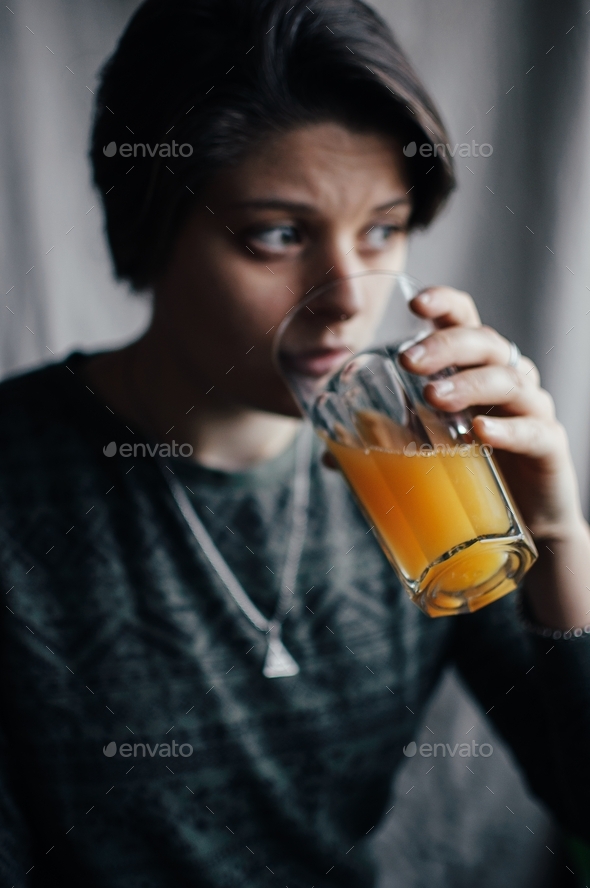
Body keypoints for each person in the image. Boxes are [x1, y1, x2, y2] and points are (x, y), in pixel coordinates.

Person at [0, 0, 589, 885]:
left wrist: (556, 539)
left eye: (383, 230)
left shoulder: (422, 444)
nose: (349, 300)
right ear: (151, 224)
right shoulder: (18, 477)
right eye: (278, 234)